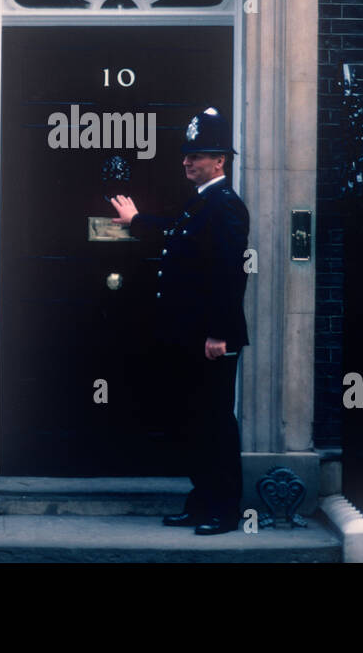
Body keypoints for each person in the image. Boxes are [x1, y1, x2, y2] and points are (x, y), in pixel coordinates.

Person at [109, 106, 249, 535]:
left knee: (215, 423)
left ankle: (224, 511)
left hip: (211, 340)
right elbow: (174, 231)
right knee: (194, 420)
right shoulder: (201, 204)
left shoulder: (226, 206)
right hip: (190, 338)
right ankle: (201, 499)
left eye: (198, 155)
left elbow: (230, 273)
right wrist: (137, 222)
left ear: (220, 160)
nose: (187, 161)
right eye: (187, 154)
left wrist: (219, 334)